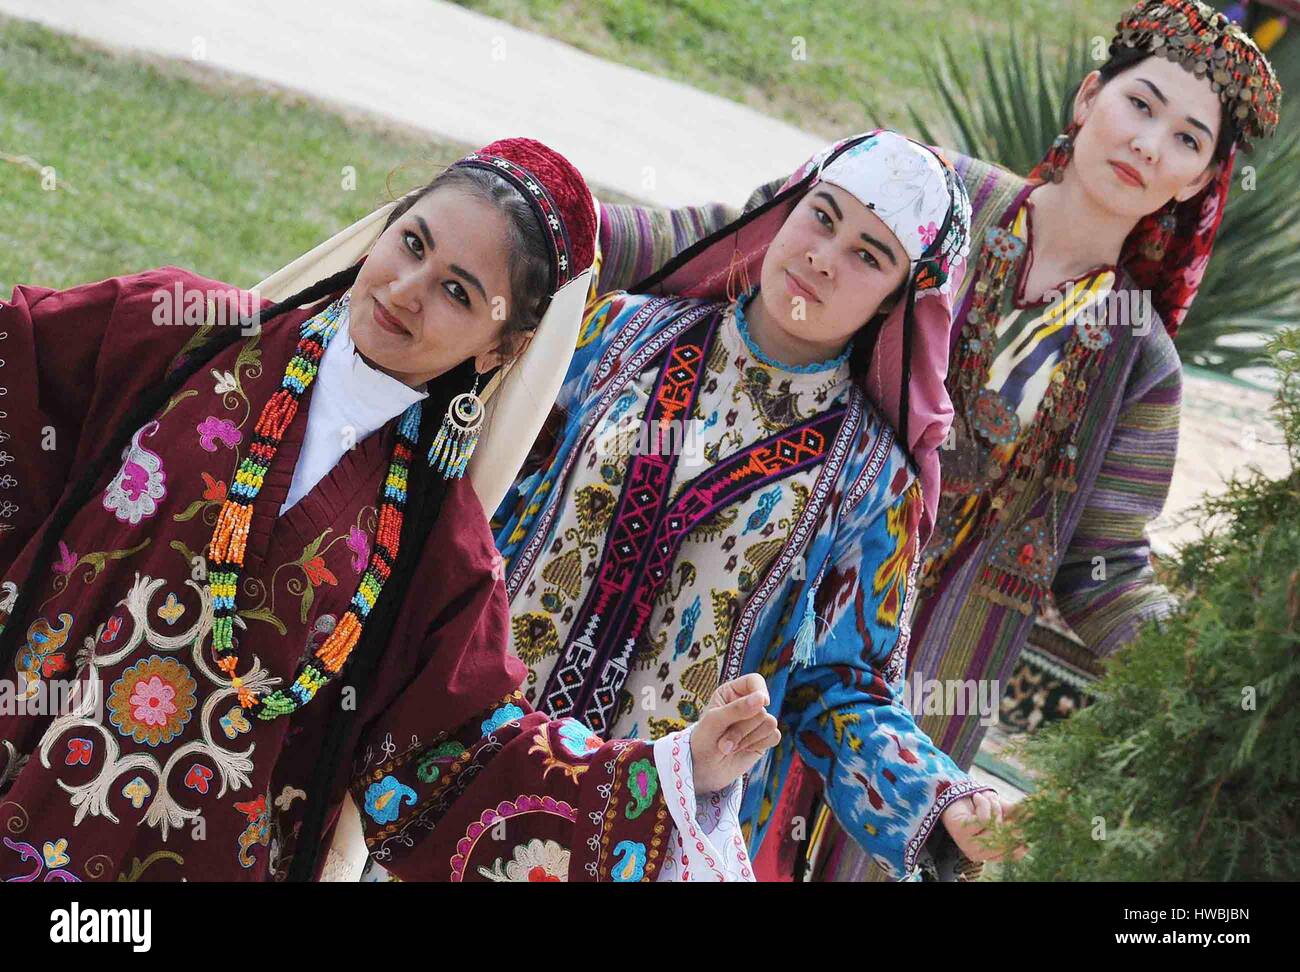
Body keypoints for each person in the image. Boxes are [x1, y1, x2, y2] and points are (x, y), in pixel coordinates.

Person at [588, 0, 1283, 880]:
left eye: (1187, 139)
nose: (1149, 145)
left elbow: (1104, 567)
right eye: (1140, 105)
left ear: (1197, 183)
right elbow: (733, 243)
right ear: (1087, 98)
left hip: (926, 693)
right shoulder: (932, 196)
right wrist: (549, 222)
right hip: (759, 586)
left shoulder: (1139, 365)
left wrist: (1215, 676)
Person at [0, 137, 778, 882]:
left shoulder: (440, 545)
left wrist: (681, 769)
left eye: (457, 292)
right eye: (412, 244)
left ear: (499, 348)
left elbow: (466, 754)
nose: (407, 292)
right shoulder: (183, 334)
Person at [492, 130, 1017, 881]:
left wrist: (942, 802)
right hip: (479, 752)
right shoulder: (620, 334)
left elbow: (839, 691)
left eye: (869, 256)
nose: (823, 257)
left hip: (650, 830)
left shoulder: (873, 488)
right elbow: (486, 500)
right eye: (823, 216)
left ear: (898, 300)